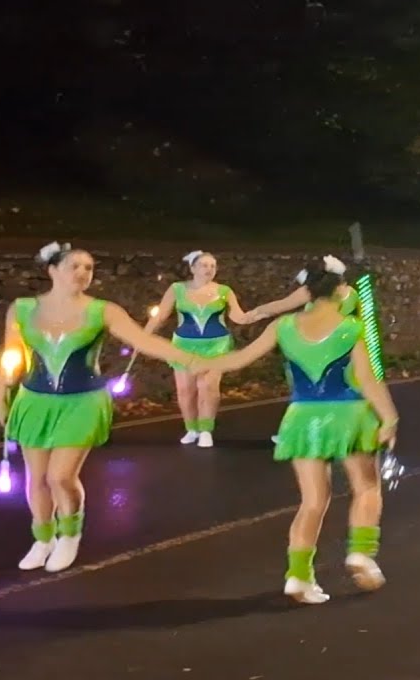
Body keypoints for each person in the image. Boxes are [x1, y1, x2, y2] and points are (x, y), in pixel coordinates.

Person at [197, 255, 399, 605]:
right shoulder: (352, 327)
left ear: (306, 290)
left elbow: (238, 359)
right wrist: (389, 417)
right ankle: (362, 553)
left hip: (303, 417)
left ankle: (298, 576)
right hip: (348, 415)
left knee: (312, 501)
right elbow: (367, 379)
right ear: (339, 290)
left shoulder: (283, 327)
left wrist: (195, 361)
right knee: (366, 487)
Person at [0, 242, 198, 573]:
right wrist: (0, 392)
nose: (83, 273)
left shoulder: (103, 310)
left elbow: (142, 341)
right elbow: (11, 356)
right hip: (34, 400)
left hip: (83, 401)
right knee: (37, 479)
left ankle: (69, 535)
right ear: (52, 270)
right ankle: (42, 538)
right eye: (75, 266)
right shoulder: (21, 309)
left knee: (60, 477)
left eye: (89, 268)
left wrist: (189, 358)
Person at [143, 251, 252, 448]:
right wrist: (141, 337)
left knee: (208, 388)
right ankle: (191, 428)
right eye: (204, 265)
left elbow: (237, 316)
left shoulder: (224, 291)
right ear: (193, 268)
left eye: (212, 265)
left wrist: (254, 315)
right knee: (186, 390)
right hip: (184, 346)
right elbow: (160, 316)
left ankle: (206, 430)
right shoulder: (177, 289)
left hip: (216, 346)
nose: (209, 269)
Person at [245, 259, 360, 320]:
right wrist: (255, 313)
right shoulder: (310, 292)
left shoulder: (352, 295)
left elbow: (280, 306)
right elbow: (280, 306)